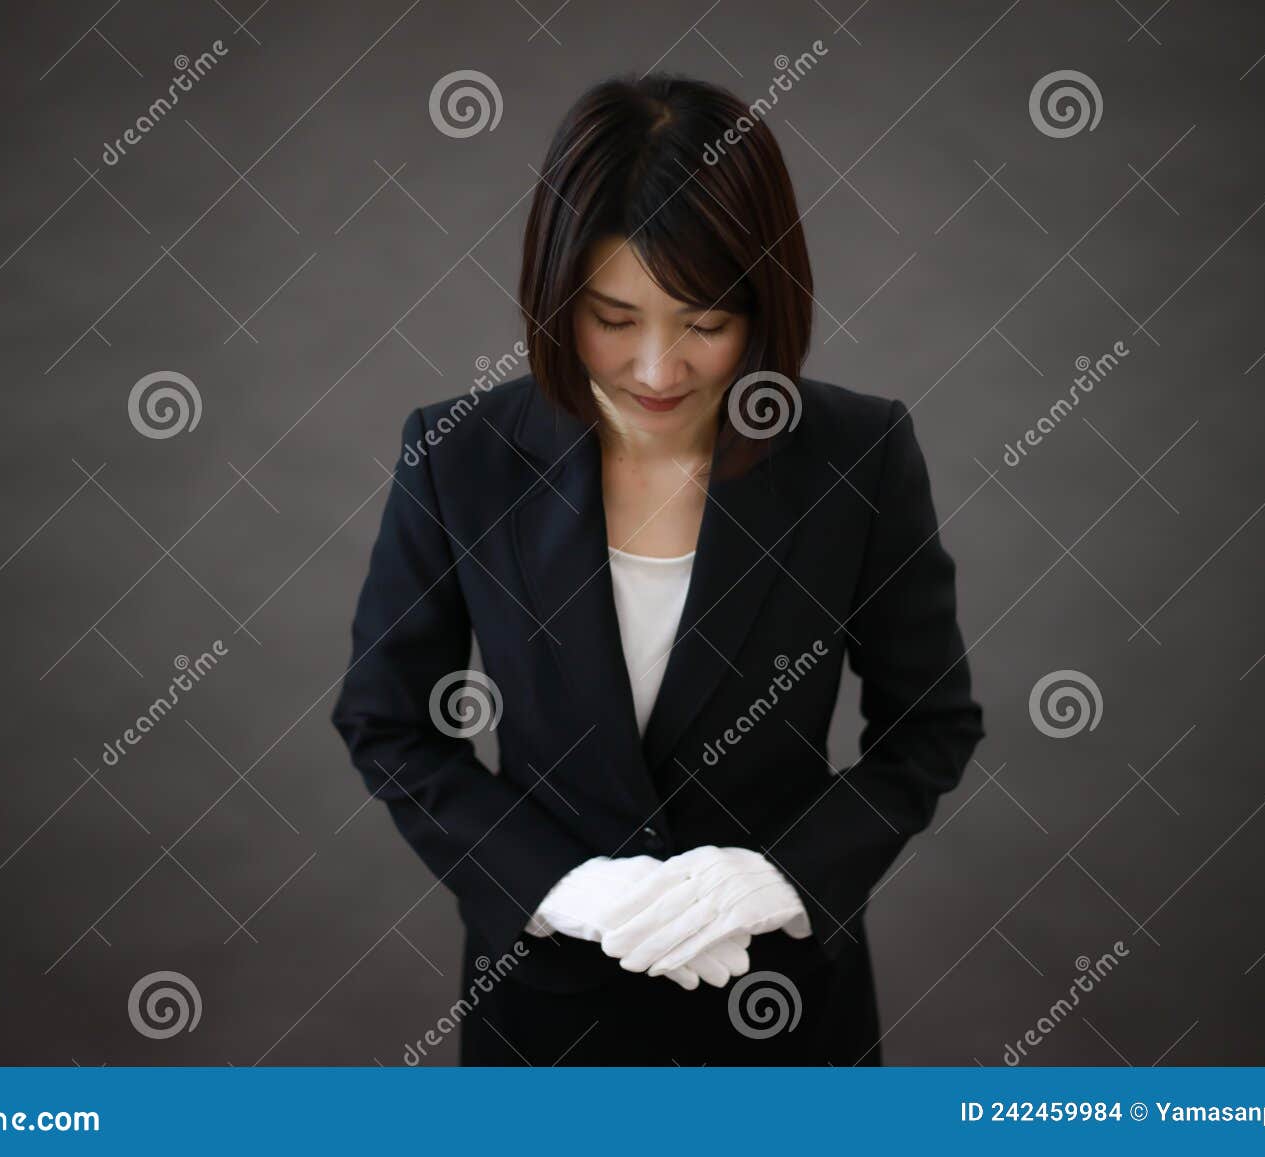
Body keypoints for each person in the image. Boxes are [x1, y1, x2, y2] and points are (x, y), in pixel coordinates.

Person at [330, 72, 985, 1065]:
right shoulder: (459, 454)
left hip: (781, 1017)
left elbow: (929, 726)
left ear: (766, 302)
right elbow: (386, 720)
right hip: (543, 1026)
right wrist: (557, 884)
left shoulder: (857, 455)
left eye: (706, 322)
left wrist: (787, 876)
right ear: (555, 296)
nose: (655, 368)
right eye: (613, 317)